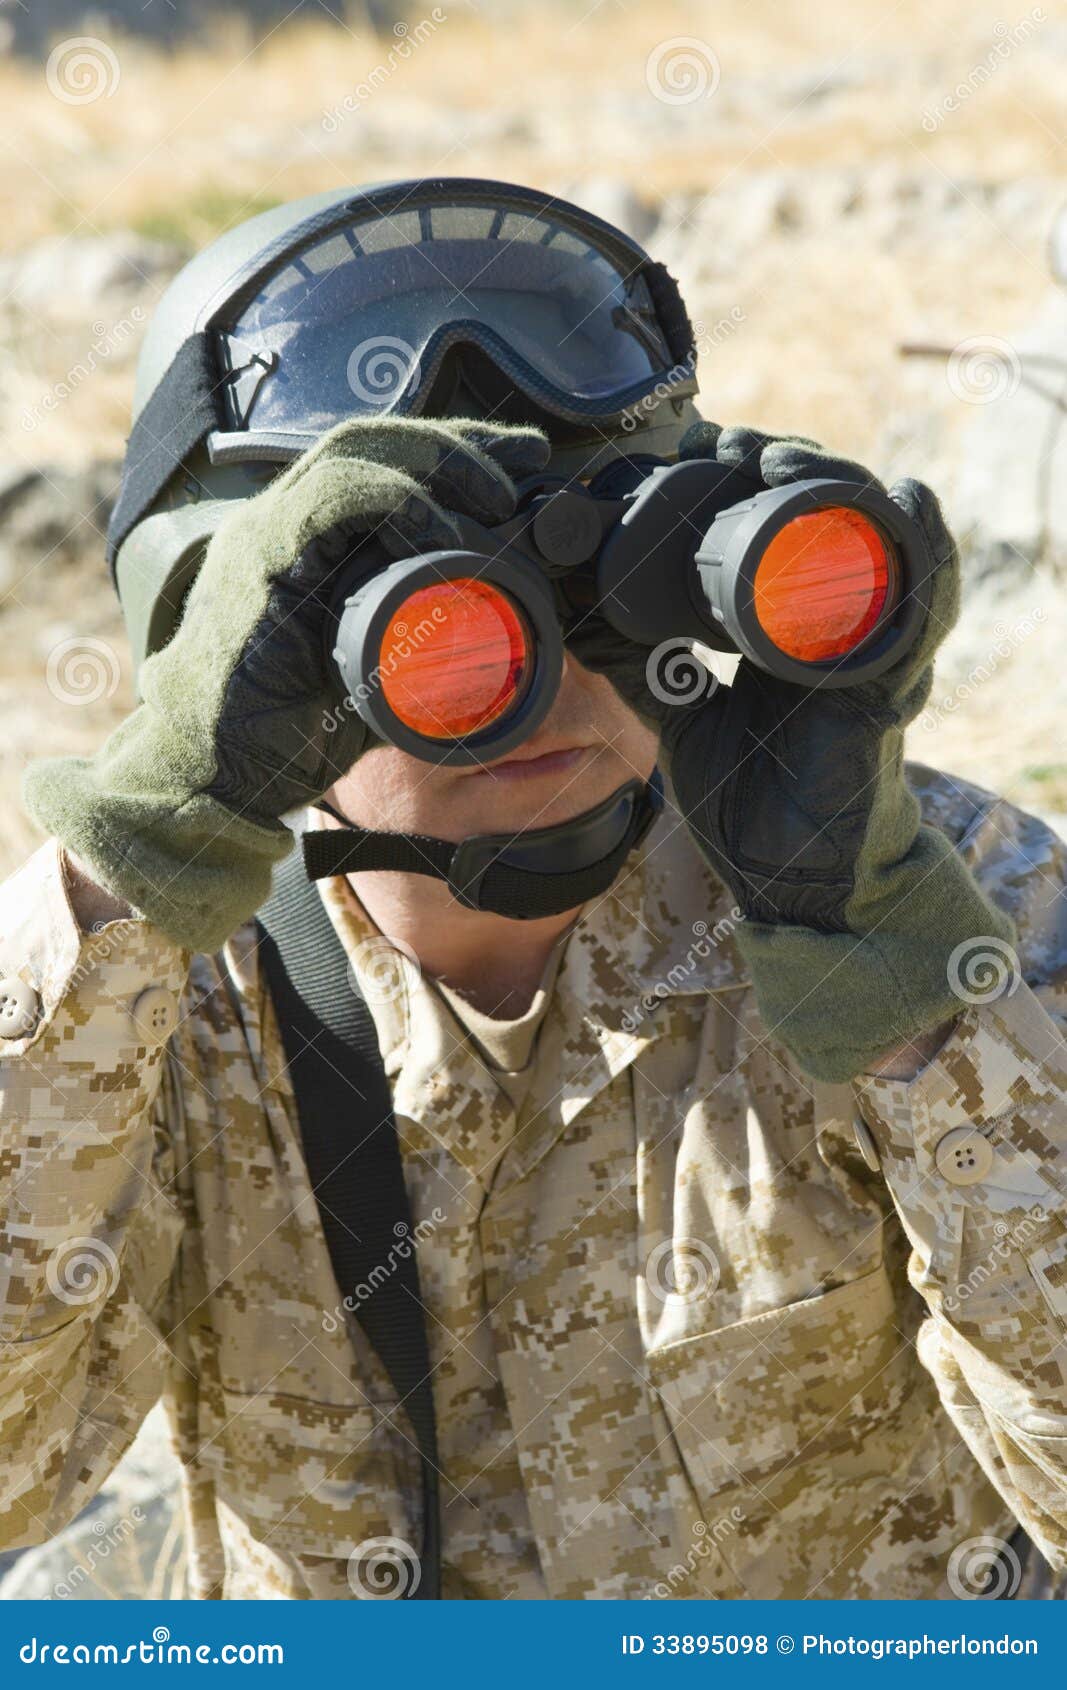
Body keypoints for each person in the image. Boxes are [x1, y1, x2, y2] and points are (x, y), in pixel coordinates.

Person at [0, 178, 1065, 1602]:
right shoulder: (143, 993)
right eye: (448, 639)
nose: (549, 684)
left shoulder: (949, 901)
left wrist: (893, 987)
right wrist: (137, 845)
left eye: (602, 610)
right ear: (222, 649)